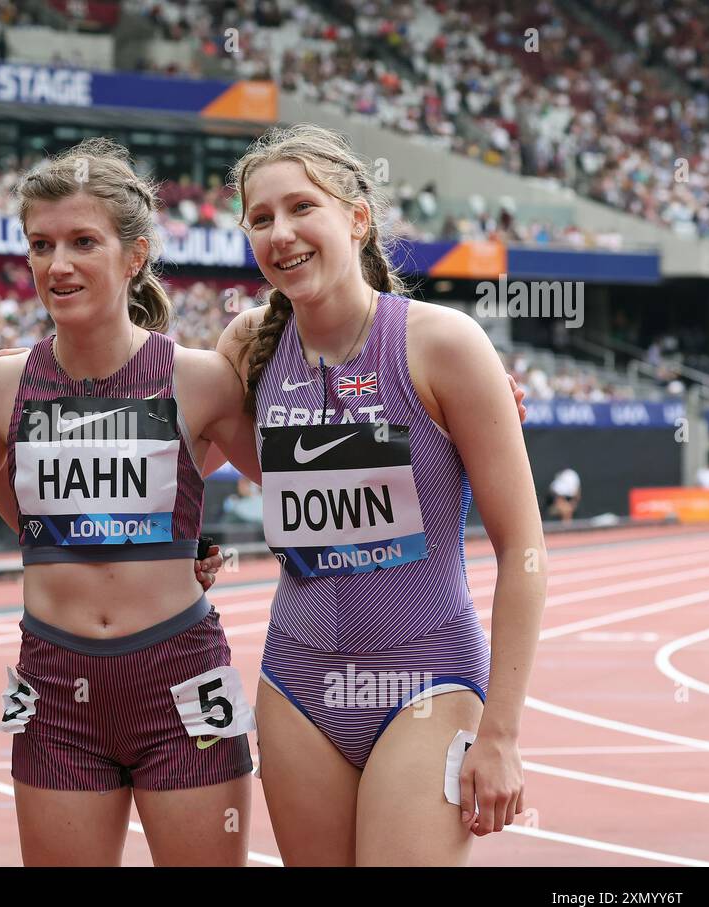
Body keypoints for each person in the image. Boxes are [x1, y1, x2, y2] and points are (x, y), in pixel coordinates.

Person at [216, 124, 546, 865]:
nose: (282, 233)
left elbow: (524, 548)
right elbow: (166, 425)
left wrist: (502, 733)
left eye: (303, 207)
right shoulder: (245, 346)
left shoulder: (442, 344)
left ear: (358, 217)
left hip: (425, 678)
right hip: (296, 683)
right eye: (261, 219)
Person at [0, 140, 263, 866]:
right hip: (56, 690)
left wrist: (464, 411)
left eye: (83, 242)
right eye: (41, 244)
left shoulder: (202, 380)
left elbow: (305, 471)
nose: (57, 265)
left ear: (135, 255)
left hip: (181, 681)